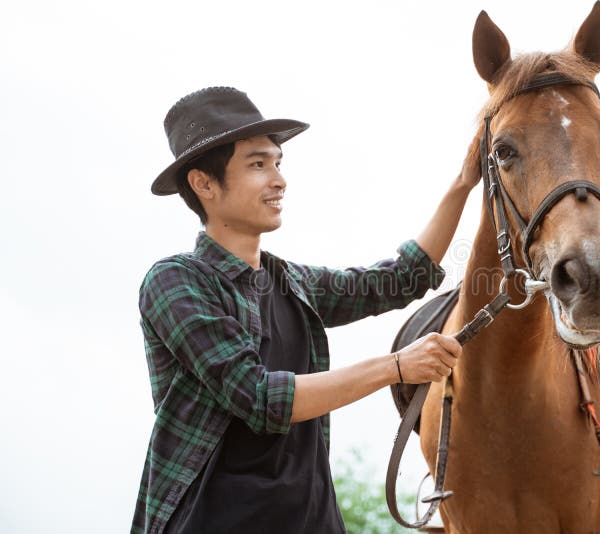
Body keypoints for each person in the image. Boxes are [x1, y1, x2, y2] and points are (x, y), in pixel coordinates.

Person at [130, 86, 480, 533]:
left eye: (278, 163)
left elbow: (398, 279)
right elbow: (258, 396)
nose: (279, 179)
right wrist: (396, 366)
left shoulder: (290, 282)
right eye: (258, 164)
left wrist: (464, 183)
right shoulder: (175, 282)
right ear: (204, 183)